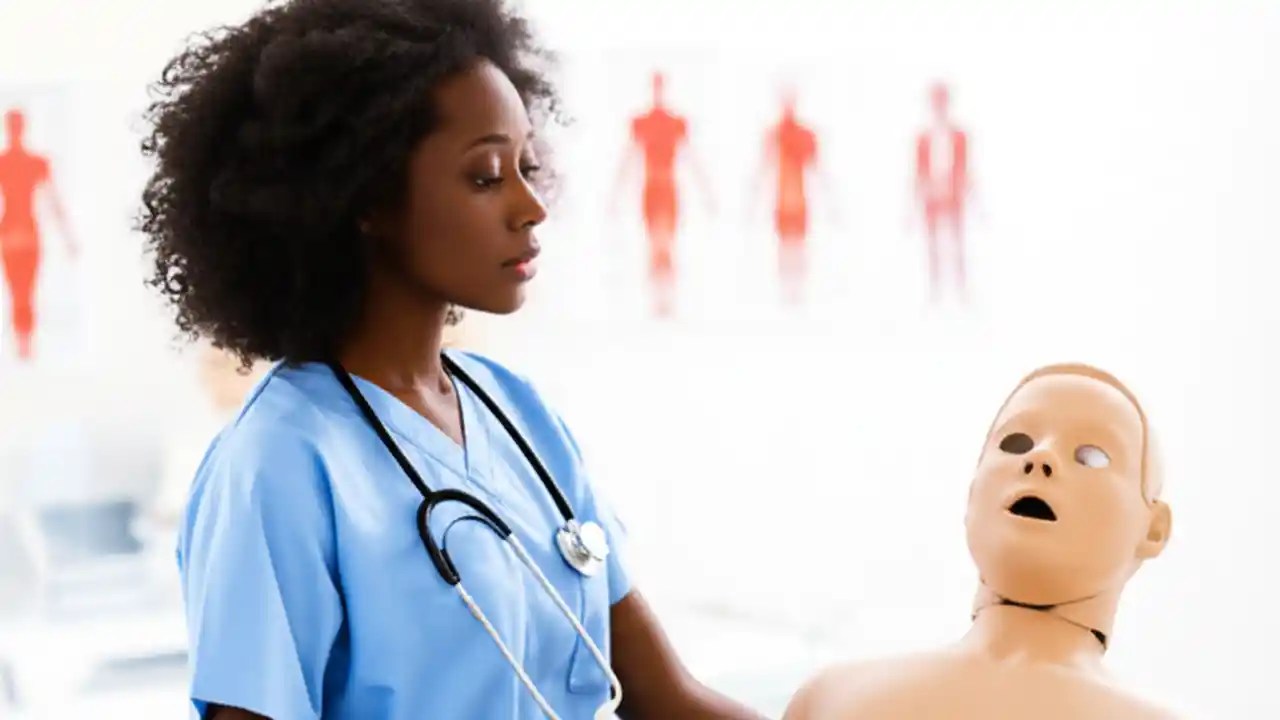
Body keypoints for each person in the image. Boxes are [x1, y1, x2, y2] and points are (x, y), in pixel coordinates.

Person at [138, 1, 764, 718]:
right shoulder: (279, 465)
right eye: (486, 176)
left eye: (527, 166)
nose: (532, 207)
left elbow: (667, 701)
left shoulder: (518, 413)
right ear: (365, 196)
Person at [784, 363, 1177, 719]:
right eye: (1016, 442)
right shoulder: (829, 700)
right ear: (972, 492)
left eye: (1091, 456)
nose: (1041, 458)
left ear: (1154, 528)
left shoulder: (834, 700)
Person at [610, 71, 714, 317]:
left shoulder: (676, 123)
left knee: (665, 241)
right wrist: (616, 194)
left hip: (668, 189)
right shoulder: (640, 122)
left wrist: (706, 192)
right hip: (649, 190)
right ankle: (657, 299)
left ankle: (668, 297)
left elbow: (691, 156)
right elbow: (628, 157)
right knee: (654, 244)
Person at [0, 108, 77, 361]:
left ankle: (25, 342)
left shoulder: (35, 163)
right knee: (19, 290)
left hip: (23, 234)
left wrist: (68, 237)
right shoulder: (12, 163)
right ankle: (23, 342)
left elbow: (53, 201)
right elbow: (54, 202)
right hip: (13, 233)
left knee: (24, 290)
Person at [912, 82, 970, 304]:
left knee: (956, 242)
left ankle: (961, 288)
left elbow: (965, 168)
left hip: (953, 194)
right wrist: (913, 203)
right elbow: (918, 172)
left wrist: (973, 198)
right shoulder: (924, 138)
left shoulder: (958, 136)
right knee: (933, 244)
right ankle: (935, 289)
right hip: (931, 196)